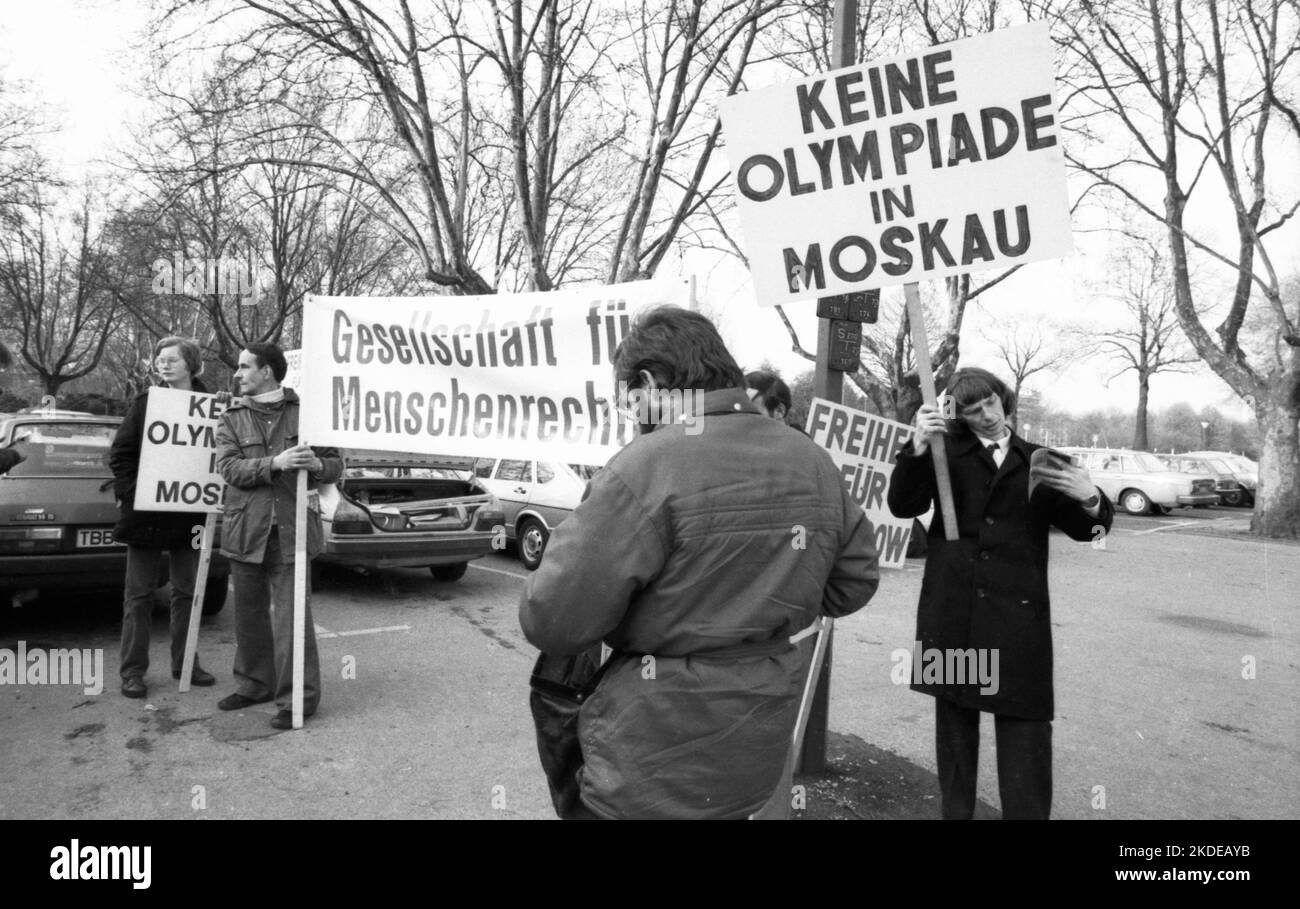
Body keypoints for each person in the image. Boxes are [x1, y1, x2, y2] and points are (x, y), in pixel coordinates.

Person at [520, 305, 880, 819]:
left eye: (630, 401)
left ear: (648, 382)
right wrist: (761, 607)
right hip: (754, 747)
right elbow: (854, 582)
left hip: (648, 763)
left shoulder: (644, 467)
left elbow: (553, 621)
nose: (630, 414)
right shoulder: (812, 460)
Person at [886, 367, 1113, 819]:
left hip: (1017, 619)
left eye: (990, 402)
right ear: (958, 415)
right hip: (954, 612)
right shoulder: (941, 452)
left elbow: (1090, 531)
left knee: (1025, 731)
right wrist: (913, 450)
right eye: (972, 410)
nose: (986, 415)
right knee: (954, 729)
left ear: (1003, 398)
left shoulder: (1040, 461)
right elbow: (902, 505)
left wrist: (1090, 498)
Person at [214, 342, 342, 730]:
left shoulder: (309, 414)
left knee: (292, 621)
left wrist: (318, 464)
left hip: (293, 532)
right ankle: (254, 685)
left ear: (267, 370)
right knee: (248, 616)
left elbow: (336, 466)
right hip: (245, 530)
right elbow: (229, 468)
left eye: (243, 367)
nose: (237, 375)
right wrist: (276, 463)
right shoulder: (232, 417)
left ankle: (297, 699)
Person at [110, 337, 218, 699]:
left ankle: (186, 663)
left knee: (188, 592)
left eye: (172, 359)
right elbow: (121, 455)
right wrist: (134, 493)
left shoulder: (212, 407)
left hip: (191, 516)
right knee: (138, 595)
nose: (163, 364)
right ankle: (133, 671)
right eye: (159, 359)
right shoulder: (145, 404)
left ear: (191, 364)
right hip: (146, 517)